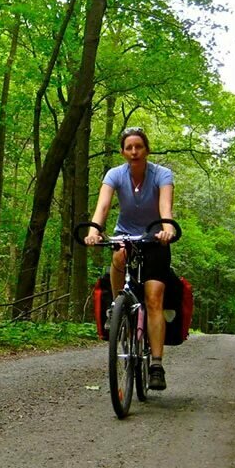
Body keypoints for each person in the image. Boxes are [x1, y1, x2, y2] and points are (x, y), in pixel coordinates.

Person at [84, 127, 175, 390]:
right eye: (129, 147)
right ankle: (118, 307)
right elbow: (102, 207)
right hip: (125, 234)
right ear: (123, 151)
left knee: (154, 297)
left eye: (139, 147)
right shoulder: (115, 174)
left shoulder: (162, 174)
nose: (134, 152)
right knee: (118, 257)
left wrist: (167, 228)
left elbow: (165, 207)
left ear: (146, 149)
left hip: (154, 237)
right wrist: (94, 230)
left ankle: (156, 364)